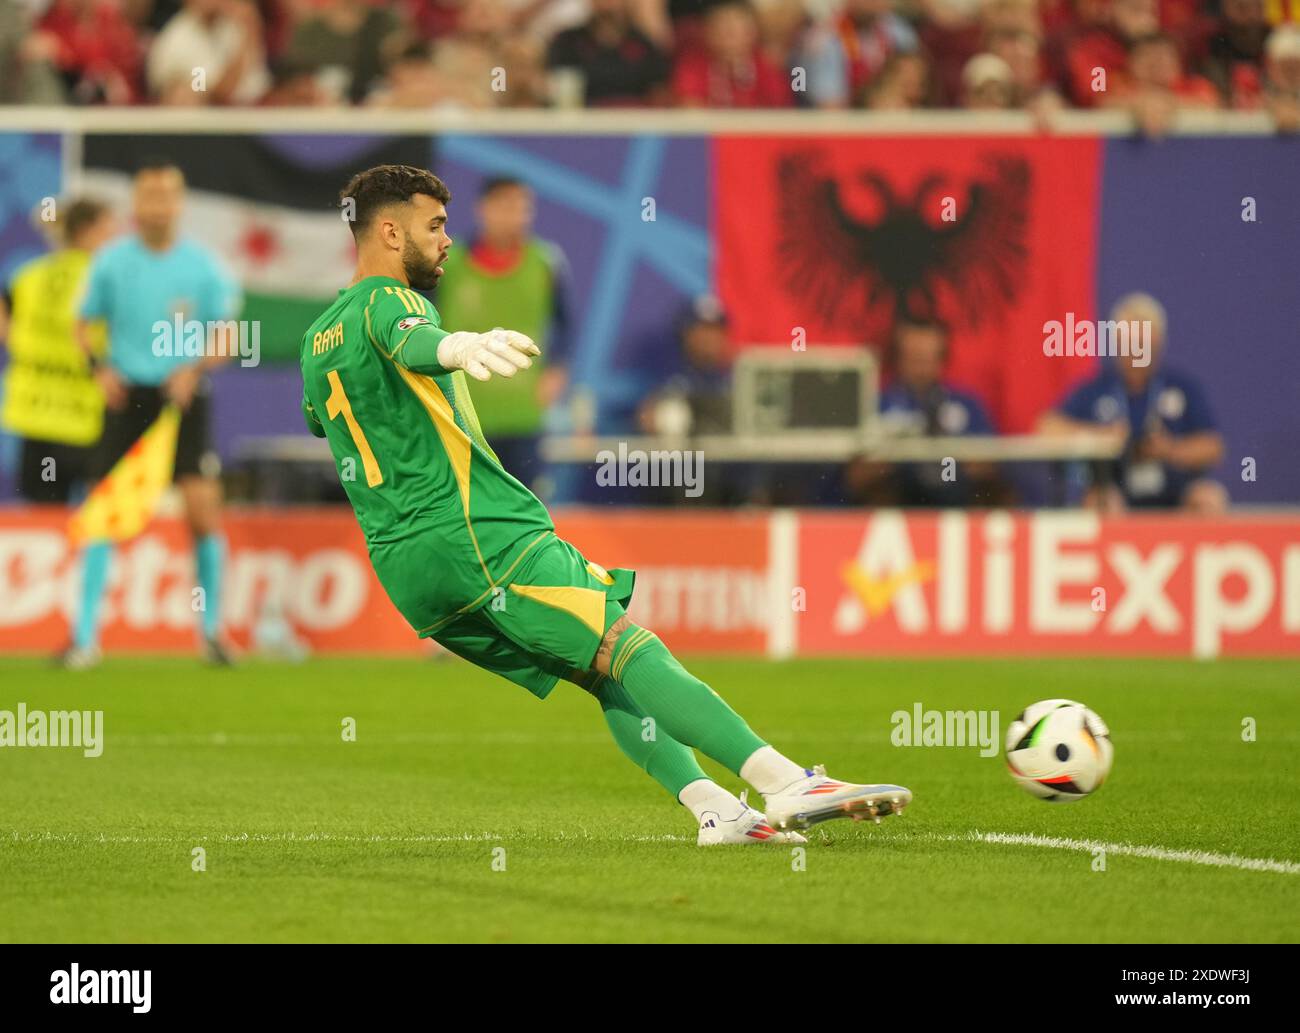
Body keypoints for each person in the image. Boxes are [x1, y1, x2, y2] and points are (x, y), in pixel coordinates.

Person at [301, 164, 912, 845]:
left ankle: (717, 809)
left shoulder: (317, 336)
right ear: (389, 231)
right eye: (434, 226)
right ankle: (784, 781)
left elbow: (327, 421)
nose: (447, 240)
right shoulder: (399, 302)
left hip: (408, 570)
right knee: (622, 643)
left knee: (598, 670)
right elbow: (409, 338)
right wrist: (455, 344)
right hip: (477, 530)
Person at [65, 160, 241, 669]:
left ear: (180, 203)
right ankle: (84, 639)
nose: (158, 205)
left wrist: (194, 368)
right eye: (149, 195)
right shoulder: (111, 262)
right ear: (136, 203)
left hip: (182, 398)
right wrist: (99, 368)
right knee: (103, 514)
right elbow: (82, 323)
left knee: (202, 509)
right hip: (128, 398)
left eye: (167, 195)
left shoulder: (205, 266)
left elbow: (226, 337)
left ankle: (211, 633)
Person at [431, 176, 571, 494]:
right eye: (507, 207)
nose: (517, 217)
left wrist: (557, 370)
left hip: (524, 417)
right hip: (462, 415)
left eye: (524, 208)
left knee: (525, 513)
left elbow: (566, 326)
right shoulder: (448, 265)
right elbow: (428, 328)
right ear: (484, 210)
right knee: (467, 509)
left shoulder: (547, 262)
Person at [1037, 292, 1227, 513]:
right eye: (1130, 340)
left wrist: (1170, 450)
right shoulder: (1098, 388)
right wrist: (1102, 437)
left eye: (1144, 340)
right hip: (1117, 490)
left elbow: (1213, 447)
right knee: (1100, 501)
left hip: (1176, 491)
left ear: (1159, 342)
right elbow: (1047, 427)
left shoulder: (1181, 387)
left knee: (1208, 498)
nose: (1137, 349)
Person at [1, 198, 116, 504]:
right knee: (102, 510)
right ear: (88, 231)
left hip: (38, 416)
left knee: (46, 510)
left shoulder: (29, 275)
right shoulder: (106, 278)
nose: (115, 238)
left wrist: (20, 343)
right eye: (109, 229)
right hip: (88, 416)